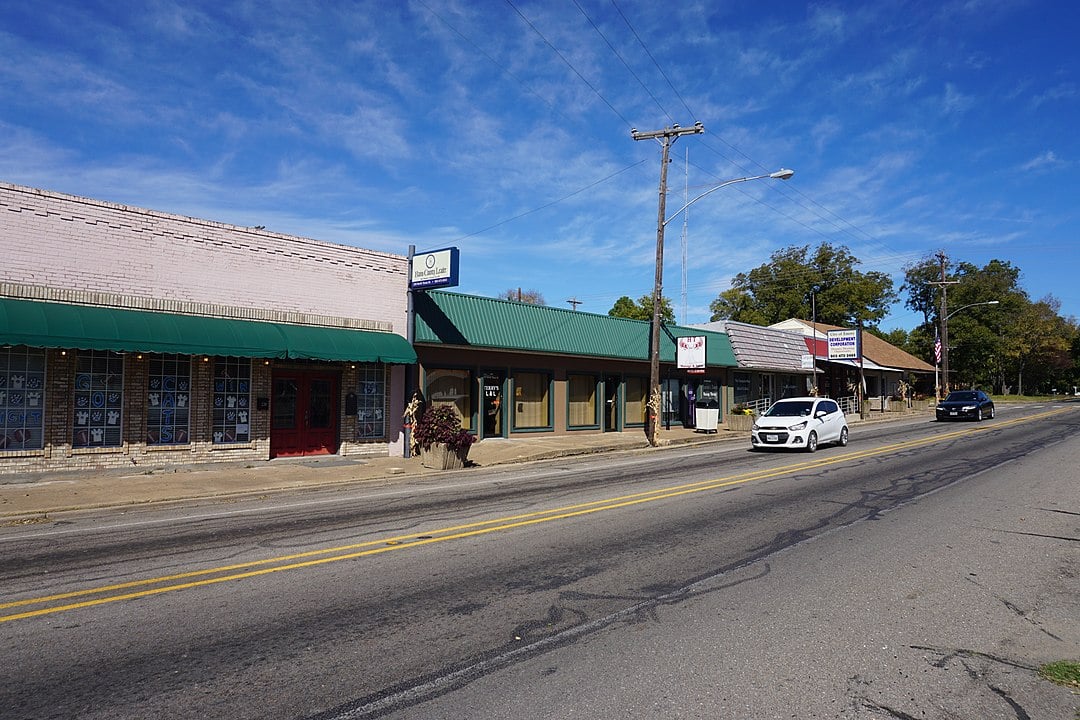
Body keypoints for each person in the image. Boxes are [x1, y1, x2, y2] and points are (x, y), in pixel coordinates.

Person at [403, 389, 427, 456]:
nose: (414, 398)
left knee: (414, 434)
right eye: (413, 397)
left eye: (415, 397)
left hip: (417, 421)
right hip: (413, 421)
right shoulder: (410, 405)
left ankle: (415, 450)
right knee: (412, 434)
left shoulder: (420, 403)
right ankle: (412, 450)